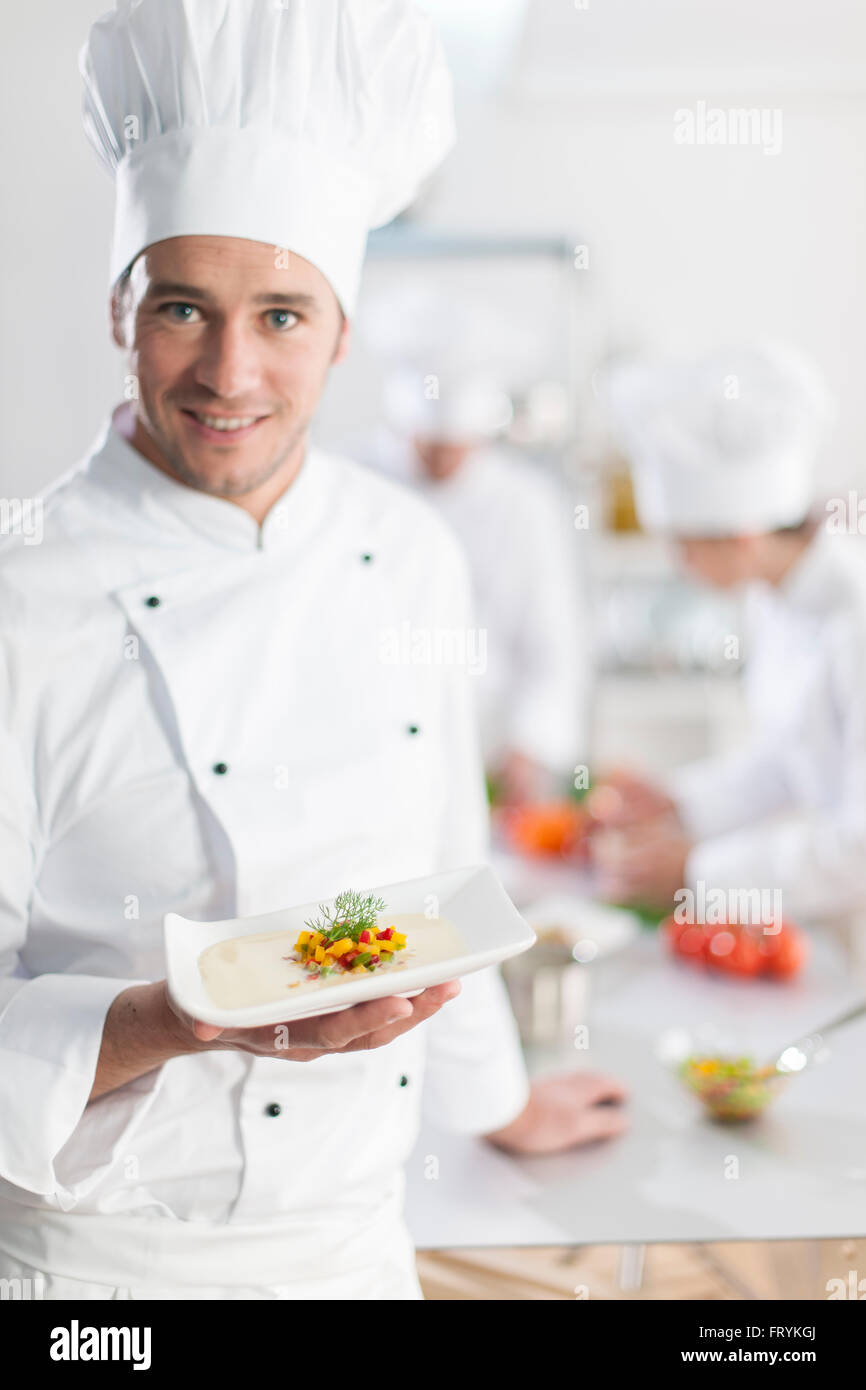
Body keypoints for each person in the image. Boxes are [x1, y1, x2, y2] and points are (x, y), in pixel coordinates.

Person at [0, 0, 626, 1302]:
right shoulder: (20, 593)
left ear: (343, 331)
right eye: (184, 307)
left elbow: (446, 877)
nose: (229, 373)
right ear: (119, 312)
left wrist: (499, 1102)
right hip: (103, 1271)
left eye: (282, 315)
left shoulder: (409, 550)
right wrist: (168, 1020)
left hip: (353, 1248)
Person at [589, 342, 866, 941]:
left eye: (684, 545)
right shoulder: (777, 597)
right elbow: (788, 760)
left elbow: (859, 843)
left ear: (741, 537)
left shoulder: (856, 623)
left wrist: (698, 872)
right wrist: (680, 802)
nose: (677, 563)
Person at [370, 350, 588, 807]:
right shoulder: (360, 484)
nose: (442, 460)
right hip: (372, 739)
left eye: (455, 446)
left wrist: (531, 743)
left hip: (487, 743)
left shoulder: (526, 503)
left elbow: (555, 641)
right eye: (429, 446)